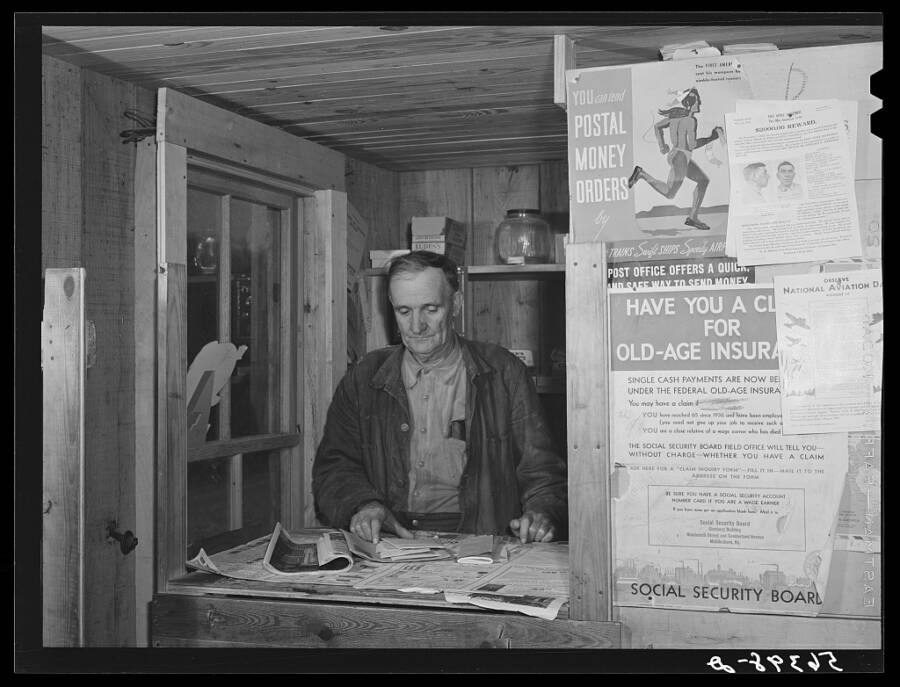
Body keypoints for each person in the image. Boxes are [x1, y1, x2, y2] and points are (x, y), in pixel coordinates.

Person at [312, 250, 567, 544]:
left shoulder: (503, 372)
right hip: (389, 538)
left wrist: (541, 512)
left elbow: (542, 472)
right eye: (404, 311)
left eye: (430, 309)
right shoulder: (364, 376)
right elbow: (334, 468)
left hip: (480, 536)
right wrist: (364, 505)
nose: (416, 326)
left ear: (455, 304)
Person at [626, 87, 724, 231]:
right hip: (681, 158)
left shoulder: (675, 116)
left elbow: (657, 127)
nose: (700, 104)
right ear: (690, 104)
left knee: (703, 181)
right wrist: (712, 137)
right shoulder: (690, 120)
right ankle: (641, 174)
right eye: (698, 101)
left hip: (676, 155)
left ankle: (692, 217)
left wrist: (662, 146)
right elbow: (692, 145)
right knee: (670, 193)